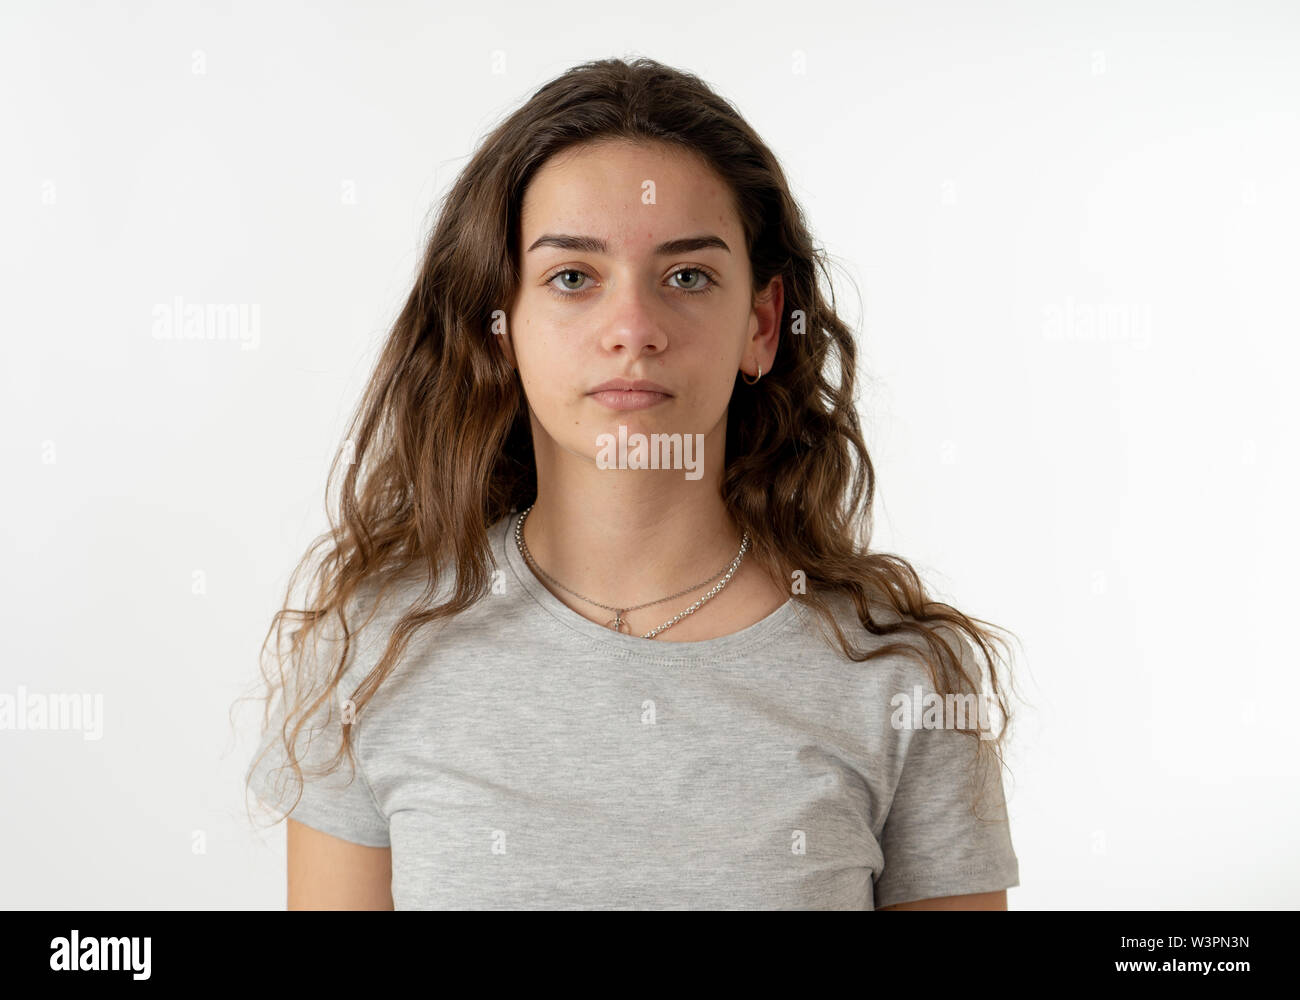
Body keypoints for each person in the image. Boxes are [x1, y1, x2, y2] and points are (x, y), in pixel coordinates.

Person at [242, 56, 1022, 911]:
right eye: (573, 278)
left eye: (687, 276)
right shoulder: (375, 649)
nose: (633, 329)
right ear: (500, 327)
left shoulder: (900, 678)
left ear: (761, 325)